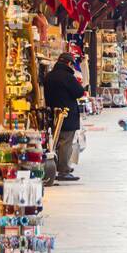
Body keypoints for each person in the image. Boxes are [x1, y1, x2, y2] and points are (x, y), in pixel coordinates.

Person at [43, 52, 87, 181]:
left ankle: (56, 166)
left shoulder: (49, 76)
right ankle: (63, 170)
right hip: (67, 114)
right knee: (66, 143)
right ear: (69, 63)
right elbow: (79, 92)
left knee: (55, 142)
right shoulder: (68, 77)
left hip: (52, 113)